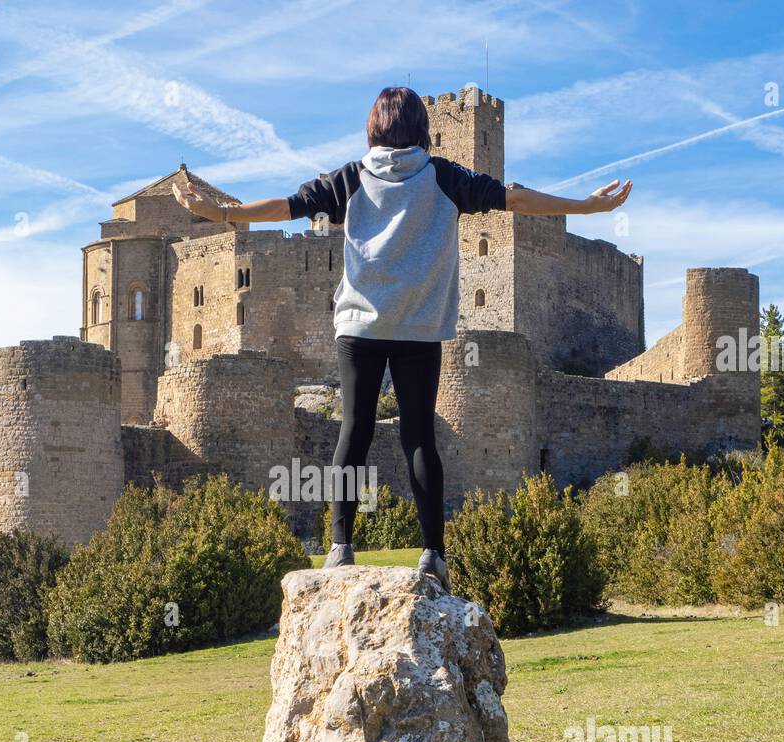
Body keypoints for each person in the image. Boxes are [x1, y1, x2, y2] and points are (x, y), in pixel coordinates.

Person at [174, 86, 631, 592]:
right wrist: (584, 206)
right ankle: (433, 553)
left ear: (373, 128)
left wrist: (220, 214)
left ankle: (339, 547)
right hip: (418, 328)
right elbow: (513, 197)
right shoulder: (443, 177)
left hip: (359, 327)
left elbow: (285, 207)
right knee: (419, 438)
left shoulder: (349, 178)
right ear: (421, 130)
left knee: (354, 433)